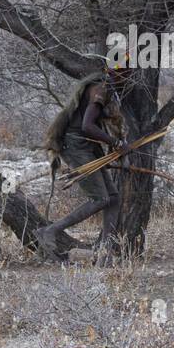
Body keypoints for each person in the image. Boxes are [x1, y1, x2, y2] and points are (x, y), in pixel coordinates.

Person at [35, 62, 133, 261]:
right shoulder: (101, 89)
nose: (129, 78)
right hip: (76, 146)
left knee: (113, 198)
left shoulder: (106, 87)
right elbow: (88, 126)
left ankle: (105, 253)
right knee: (101, 199)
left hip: (85, 146)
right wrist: (115, 143)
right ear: (118, 73)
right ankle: (50, 231)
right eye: (127, 73)